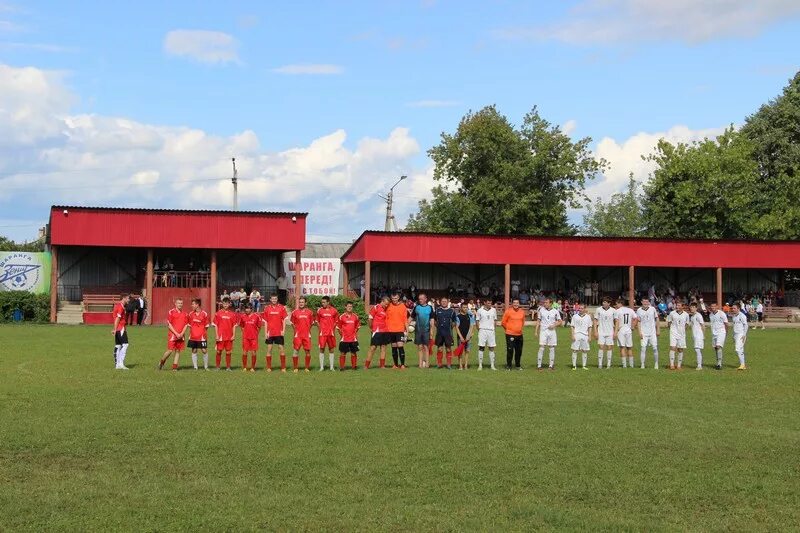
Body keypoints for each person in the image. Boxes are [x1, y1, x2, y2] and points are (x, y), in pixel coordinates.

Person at [159, 298, 189, 370]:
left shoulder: (185, 314)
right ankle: (162, 362)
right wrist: (176, 333)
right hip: (173, 334)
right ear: (175, 304)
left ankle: (174, 367)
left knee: (178, 350)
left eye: (181, 303)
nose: (180, 304)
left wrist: (181, 333)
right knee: (170, 350)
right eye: (178, 303)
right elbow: (169, 325)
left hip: (181, 335)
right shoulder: (171, 312)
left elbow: (186, 324)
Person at [262, 294, 288, 372]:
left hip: (279, 332)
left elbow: (284, 320)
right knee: (269, 349)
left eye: (275, 299)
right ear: (270, 299)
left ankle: (283, 367)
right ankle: (269, 367)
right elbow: (265, 322)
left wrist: (283, 330)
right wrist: (265, 333)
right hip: (270, 333)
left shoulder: (282, 308)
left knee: (281, 348)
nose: (274, 300)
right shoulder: (267, 308)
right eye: (273, 299)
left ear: (277, 299)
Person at [536, 298, 563, 370]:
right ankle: (539, 366)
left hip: (552, 331)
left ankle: (551, 365)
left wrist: (554, 325)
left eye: (546, 302)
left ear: (551, 303)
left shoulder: (555, 311)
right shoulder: (541, 310)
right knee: (541, 347)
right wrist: (536, 331)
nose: (545, 304)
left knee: (552, 348)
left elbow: (560, 321)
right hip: (543, 331)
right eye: (544, 302)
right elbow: (538, 321)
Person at [212, 297, 237, 371]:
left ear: (229, 304)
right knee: (219, 351)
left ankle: (228, 367)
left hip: (229, 336)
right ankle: (217, 367)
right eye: (224, 303)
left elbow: (234, 326)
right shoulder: (218, 313)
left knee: (228, 352)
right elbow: (216, 325)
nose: (225, 305)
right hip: (220, 336)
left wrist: (234, 335)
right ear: (222, 304)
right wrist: (216, 335)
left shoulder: (232, 314)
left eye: (227, 304)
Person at [365, 297, 390, 369]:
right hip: (377, 331)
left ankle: (382, 365)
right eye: (385, 304)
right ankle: (366, 365)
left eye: (387, 304)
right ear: (382, 301)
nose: (386, 306)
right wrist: (371, 328)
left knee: (383, 347)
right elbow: (370, 319)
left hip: (385, 331)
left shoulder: (386, 309)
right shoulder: (375, 308)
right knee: (373, 347)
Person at [290, 297, 314, 372]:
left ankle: (307, 367)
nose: (301, 303)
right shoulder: (295, 312)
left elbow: (312, 323)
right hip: (298, 335)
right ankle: (295, 368)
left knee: (307, 352)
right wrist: (296, 331)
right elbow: (292, 323)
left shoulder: (310, 312)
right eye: (300, 302)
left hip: (306, 335)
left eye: (302, 302)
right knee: (295, 351)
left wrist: (307, 330)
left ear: (305, 303)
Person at [316, 296, 340, 371]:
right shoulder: (319, 311)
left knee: (331, 349)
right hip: (322, 334)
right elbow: (317, 321)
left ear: (328, 302)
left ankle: (331, 367)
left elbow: (336, 321)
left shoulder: (334, 311)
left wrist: (332, 329)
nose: (322, 303)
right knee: (321, 349)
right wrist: (321, 329)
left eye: (324, 302)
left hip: (330, 333)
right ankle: (321, 367)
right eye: (322, 302)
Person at [386, 293, 409, 369]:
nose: (394, 300)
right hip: (390, 330)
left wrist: (407, 331)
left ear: (398, 298)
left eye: (396, 298)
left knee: (400, 346)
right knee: (394, 347)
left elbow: (405, 319)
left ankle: (402, 364)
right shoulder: (388, 306)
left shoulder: (403, 307)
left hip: (400, 330)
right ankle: (395, 364)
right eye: (393, 298)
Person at [433, 297, 457, 369]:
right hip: (439, 333)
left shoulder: (451, 311)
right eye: (442, 301)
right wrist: (439, 327)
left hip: (448, 333)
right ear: (440, 302)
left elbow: (454, 322)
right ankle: (439, 364)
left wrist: (449, 328)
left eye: (445, 301)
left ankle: (448, 364)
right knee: (439, 348)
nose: (443, 302)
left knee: (448, 349)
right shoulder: (437, 310)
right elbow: (435, 321)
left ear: (448, 302)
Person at [412, 293, 435, 368]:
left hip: (426, 331)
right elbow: (411, 317)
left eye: (421, 299)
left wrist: (432, 331)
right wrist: (406, 326)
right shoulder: (416, 307)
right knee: (420, 347)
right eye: (419, 299)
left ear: (425, 299)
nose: (420, 300)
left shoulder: (430, 307)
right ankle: (420, 364)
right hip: (418, 331)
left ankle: (427, 364)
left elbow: (432, 320)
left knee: (426, 347)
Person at [636, 297, 660, 369]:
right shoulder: (639, 310)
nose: (645, 303)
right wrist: (639, 332)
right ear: (641, 302)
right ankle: (642, 364)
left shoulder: (652, 309)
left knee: (655, 348)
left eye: (647, 302)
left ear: (649, 302)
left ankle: (656, 363)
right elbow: (638, 322)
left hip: (652, 332)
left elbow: (657, 319)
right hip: (644, 332)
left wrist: (658, 329)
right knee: (643, 348)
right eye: (644, 302)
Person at [187, 298, 210, 371]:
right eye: (192, 304)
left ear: (197, 305)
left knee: (204, 350)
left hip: (202, 337)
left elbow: (206, 326)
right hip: (193, 336)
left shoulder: (204, 314)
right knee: (194, 350)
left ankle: (206, 367)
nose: (192, 305)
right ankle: (195, 367)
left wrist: (202, 333)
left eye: (193, 304)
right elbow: (189, 325)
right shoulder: (190, 314)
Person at [502, 299, 525, 370]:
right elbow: (503, 322)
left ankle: (517, 365)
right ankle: (509, 365)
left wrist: (519, 329)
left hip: (519, 334)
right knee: (510, 350)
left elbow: (523, 322)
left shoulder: (522, 312)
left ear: (519, 304)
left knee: (519, 351)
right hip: (510, 334)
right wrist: (509, 329)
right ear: (512, 304)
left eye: (517, 303)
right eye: (514, 303)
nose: (516, 304)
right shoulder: (508, 311)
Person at [337, 301, 361, 370]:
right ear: (345, 307)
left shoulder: (355, 316)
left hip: (353, 338)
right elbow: (338, 328)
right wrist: (342, 335)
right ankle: (342, 367)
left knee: (353, 353)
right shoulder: (341, 317)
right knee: (343, 353)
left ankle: (354, 367)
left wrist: (354, 333)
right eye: (348, 306)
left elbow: (357, 327)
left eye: (351, 306)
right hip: (344, 338)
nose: (350, 308)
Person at [614, 299, 637, 369]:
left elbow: (616, 321)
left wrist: (615, 331)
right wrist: (633, 326)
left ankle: (624, 365)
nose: (616, 306)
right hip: (628, 329)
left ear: (620, 303)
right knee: (629, 348)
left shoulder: (617, 311)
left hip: (621, 330)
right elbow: (636, 318)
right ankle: (631, 365)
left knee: (622, 347)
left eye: (616, 304)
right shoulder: (630, 310)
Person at [666, 300, 690, 370]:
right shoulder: (672, 313)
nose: (677, 307)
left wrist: (683, 330)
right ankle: (672, 364)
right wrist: (671, 329)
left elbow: (687, 324)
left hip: (682, 334)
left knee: (680, 349)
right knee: (673, 348)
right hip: (673, 333)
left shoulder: (686, 314)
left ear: (683, 307)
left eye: (679, 305)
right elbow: (669, 322)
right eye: (677, 305)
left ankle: (679, 365)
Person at [476, 299, 498, 370]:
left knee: (491, 348)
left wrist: (493, 328)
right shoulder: (479, 310)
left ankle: (492, 365)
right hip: (482, 330)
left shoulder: (493, 310)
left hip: (491, 331)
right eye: (488, 303)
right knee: (481, 347)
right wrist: (480, 330)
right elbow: (477, 321)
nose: (490, 304)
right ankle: (480, 365)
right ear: (484, 303)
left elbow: (495, 320)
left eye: (490, 303)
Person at [594, 297, 615, 369]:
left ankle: (608, 365)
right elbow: (595, 321)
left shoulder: (613, 310)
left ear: (609, 303)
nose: (603, 303)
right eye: (603, 302)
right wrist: (595, 331)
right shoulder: (598, 309)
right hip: (601, 331)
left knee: (609, 347)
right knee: (601, 347)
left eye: (605, 302)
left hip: (610, 332)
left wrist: (615, 332)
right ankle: (600, 364)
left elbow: (616, 321)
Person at [239, 303, 261, 372]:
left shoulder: (256, 316)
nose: (247, 310)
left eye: (248, 308)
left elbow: (259, 326)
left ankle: (252, 368)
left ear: (251, 309)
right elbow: (242, 326)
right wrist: (244, 332)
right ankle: (244, 367)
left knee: (253, 352)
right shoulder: (243, 317)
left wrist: (256, 333)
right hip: (246, 337)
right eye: (246, 308)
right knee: (244, 352)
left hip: (254, 338)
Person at [111, 293, 131, 370]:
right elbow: (117, 319)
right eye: (128, 298)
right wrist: (115, 329)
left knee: (118, 345)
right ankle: (121, 363)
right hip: (120, 328)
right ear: (124, 298)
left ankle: (117, 365)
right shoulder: (121, 307)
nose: (129, 300)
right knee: (125, 344)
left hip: (119, 328)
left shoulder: (118, 306)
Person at [570, 304, 592, 370]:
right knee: (575, 350)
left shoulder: (588, 317)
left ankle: (584, 366)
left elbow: (590, 327)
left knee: (584, 350)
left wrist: (590, 336)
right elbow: (572, 326)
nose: (580, 310)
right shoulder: (575, 316)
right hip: (576, 334)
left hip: (585, 335)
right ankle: (574, 366)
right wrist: (572, 335)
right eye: (580, 308)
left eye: (582, 308)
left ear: (585, 309)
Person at [708, 302, 729, 370]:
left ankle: (719, 364)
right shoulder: (710, 314)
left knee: (718, 346)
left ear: (717, 306)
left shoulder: (721, 313)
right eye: (712, 306)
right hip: (714, 333)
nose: (713, 308)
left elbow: (726, 323)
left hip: (721, 332)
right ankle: (717, 362)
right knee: (716, 348)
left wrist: (726, 332)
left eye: (714, 306)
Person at [455, 303, 475, 370]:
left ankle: (466, 365)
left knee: (467, 351)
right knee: (460, 351)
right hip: (460, 337)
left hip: (468, 337)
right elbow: (457, 327)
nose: (465, 308)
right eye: (464, 307)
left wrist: (468, 336)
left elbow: (472, 326)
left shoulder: (470, 316)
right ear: (461, 308)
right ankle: (460, 365)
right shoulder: (458, 316)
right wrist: (460, 337)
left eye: (466, 307)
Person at [731, 303, 748, 370]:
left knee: (738, 349)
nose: (733, 309)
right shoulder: (734, 316)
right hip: (736, 334)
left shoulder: (742, 316)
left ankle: (742, 365)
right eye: (732, 308)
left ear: (738, 309)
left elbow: (746, 325)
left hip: (741, 334)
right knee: (740, 349)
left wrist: (744, 334)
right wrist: (733, 335)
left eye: (734, 308)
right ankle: (743, 365)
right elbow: (734, 326)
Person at [689, 303, 706, 370]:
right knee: (697, 349)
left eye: (693, 307)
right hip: (695, 335)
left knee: (697, 349)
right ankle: (699, 364)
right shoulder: (692, 316)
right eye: (691, 307)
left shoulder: (698, 315)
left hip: (699, 335)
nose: (692, 308)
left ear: (696, 308)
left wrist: (703, 335)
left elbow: (703, 325)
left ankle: (699, 365)